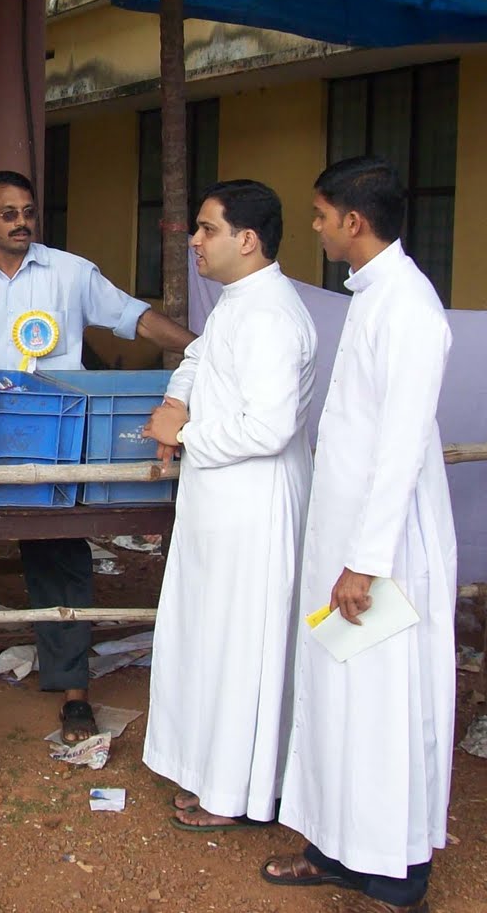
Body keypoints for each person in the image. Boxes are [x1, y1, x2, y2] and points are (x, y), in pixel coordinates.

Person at [0, 169, 194, 745]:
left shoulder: (70, 272)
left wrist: (203, 344)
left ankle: (72, 688)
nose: (22, 221)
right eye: (8, 213)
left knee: (59, 550)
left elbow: (134, 317)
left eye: (28, 211)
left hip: (53, 437)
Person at [262, 157, 456, 913]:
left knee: (382, 705)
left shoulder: (409, 307)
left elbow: (400, 446)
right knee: (342, 693)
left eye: (320, 214)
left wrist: (366, 563)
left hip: (382, 554)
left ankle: (395, 871)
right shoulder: (374, 297)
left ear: (355, 221)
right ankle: (340, 848)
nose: (313, 227)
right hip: (350, 544)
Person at [139, 180, 317, 830]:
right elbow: (196, 358)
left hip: (255, 507)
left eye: (207, 228)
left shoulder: (270, 314)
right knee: (213, 640)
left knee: (245, 645)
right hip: (221, 500)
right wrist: (179, 402)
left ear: (247, 239)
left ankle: (241, 789)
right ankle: (215, 774)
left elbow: (269, 428)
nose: (194, 240)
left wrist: (179, 434)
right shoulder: (238, 303)